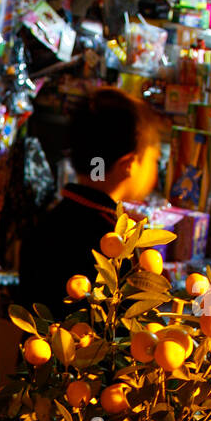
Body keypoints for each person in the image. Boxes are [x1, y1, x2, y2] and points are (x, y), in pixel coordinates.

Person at [16, 89, 162, 319]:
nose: (156, 168)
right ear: (129, 164)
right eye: (155, 159)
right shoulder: (116, 244)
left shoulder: (47, 221)